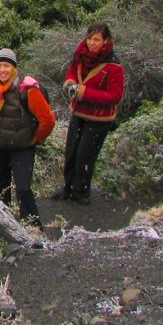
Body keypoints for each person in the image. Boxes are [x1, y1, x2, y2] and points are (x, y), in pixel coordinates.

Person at [0, 48, 55, 228]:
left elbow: (48, 120)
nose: (2, 70)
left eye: (6, 66)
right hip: (0, 146)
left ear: (14, 68)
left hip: (22, 147)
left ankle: (33, 229)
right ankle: (4, 228)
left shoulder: (26, 90)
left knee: (23, 189)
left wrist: (35, 139)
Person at [54, 22, 125, 205]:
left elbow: (115, 96)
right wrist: (70, 82)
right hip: (79, 111)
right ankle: (68, 187)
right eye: (89, 38)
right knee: (71, 152)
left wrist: (84, 92)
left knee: (85, 155)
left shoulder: (113, 65)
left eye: (96, 39)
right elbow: (72, 69)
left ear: (105, 41)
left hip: (99, 117)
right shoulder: (81, 54)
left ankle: (81, 192)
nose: (92, 43)